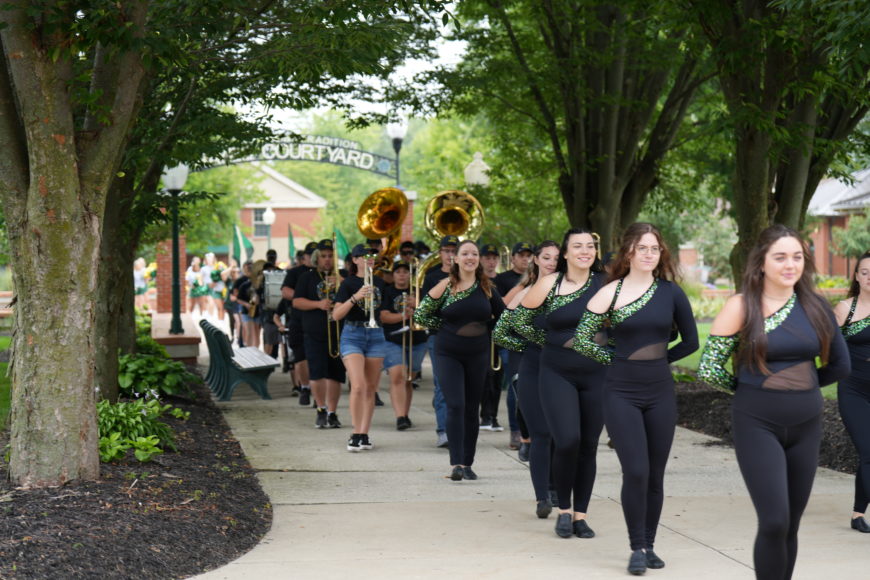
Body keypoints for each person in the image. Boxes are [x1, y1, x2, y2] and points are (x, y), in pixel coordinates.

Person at [697, 224, 849, 580]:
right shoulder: (741, 306)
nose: (790, 264)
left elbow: (841, 365)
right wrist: (750, 390)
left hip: (807, 424)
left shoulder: (816, 306)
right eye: (780, 257)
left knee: (791, 523)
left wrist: (803, 388)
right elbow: (709, 367)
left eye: (797, 257)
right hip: (757, 423)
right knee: (774, 520)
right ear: (761, 262)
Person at [574, 222, 698, 575]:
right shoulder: (610, 293)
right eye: (642, 247)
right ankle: (637, 547)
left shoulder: (671, 293)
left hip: (660, 392)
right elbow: (582, 339)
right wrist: (615, 359)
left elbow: (691, 341)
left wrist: (659, 361)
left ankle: (650, 544)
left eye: (654, 248)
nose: (648, 254)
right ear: (628, 251)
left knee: (655, 475)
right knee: (636, 471)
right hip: (620, 392)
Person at [513, 229, 605, 537]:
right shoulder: (550, 283)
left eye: (590, 246)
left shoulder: (607, 284)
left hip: (596, 376)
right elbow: (519, 321)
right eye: (577, 246)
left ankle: (580, 516)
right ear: (565, 253)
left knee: (588, 446)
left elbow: (622, 325)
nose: (585, 251)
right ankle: (563, 510)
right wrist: (553, 342)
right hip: (556, 373)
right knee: (567, 441)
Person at [414, 239, 505, 481]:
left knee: (471, 408)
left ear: (478, 259)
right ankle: (455, 463)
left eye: (474, 253)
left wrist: (488, 329)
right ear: (456, 258)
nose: (470, 257)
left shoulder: (487, 287)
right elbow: (421, 314)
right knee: (455, 404)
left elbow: (503, 317)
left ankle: (467, 463)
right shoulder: (445, 285)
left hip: (478, 353)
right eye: (465, 253)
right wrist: (445, 326)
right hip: (448, 352)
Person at [493, 240, 560, 519]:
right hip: (532, 370)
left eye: (556, 258)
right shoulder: (525, 293)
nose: (551, 262)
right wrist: (528, 348)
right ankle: (542, 496)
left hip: (562, 371)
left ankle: (556, 486)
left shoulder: (572, 293)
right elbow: (500, 332)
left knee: (560, 434)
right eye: (546, 257)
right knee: (541, 434)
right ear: (536, 260)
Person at [332, 244, 388, 452]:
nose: (369, 258)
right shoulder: (348, 283)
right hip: (352, 334)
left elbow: (385, 312)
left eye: (372, 255)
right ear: (355, 260)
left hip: (376, 334)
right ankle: (355, 432)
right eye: (364, 255)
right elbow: (336, 315)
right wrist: (356, 297)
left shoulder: (380, 282)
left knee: (371, 388)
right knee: (357, 385)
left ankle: (364, 433)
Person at [834, 251, 870, 533]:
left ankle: (858, 514)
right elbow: (828, 349)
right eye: (865, 272)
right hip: (853, 389)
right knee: (869, 451)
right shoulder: (844, 308)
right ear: (856, 276)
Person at [292, 239, 346, 429]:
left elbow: (356, 297)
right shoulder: (307, 277)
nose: (327, 259)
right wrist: (318, 304)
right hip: (314, 332)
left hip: (338, 332)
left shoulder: (342, 277)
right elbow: (297, 302)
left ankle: (332, 412)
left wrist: (341, 282)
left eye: (330, 256)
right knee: (317, 373)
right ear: (317, 258)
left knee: (336, 375)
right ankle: (321, 409)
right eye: (323, 256)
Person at [421, 234, 460, 448]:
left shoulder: (469, 276)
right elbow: (425, 310)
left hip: (464, 337)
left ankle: (458, 428)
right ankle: (444, 430)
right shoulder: (432, 277)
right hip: (439, 336)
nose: (450, 255)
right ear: (440, 253)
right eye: (447, 251)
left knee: (462, 385)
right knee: (442, 384)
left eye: (454, 251)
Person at [380, 261, 426, 430]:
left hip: (417, 340)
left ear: (410, 275)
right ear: (393, 275)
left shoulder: (419, 292)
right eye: (398, 271)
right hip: (393, 339)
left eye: (405, 272)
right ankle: (400, 417)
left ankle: (405, 414)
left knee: (408, 379)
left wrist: (418, 305)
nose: (401, 275)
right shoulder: (387, 291)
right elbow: (383, 316)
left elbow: (430, 315)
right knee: (397, 377)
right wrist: (403, 316)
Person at [282, 241, 318, 404]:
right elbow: (285, 291)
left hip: (319, 320)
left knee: (318, 358)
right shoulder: (295, 272)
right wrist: (305, 295)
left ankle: (318, 393)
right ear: (304, 257)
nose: (313, 258)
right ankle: (304, 387)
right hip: (299, 319)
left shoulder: (327, 273)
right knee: (301, 356)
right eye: (310, 255)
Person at [479, 242, 505, 434]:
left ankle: (493, 416)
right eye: (487, 258)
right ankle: (485, 415)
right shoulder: (478, 281)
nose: (491, 262)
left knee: (497, 377)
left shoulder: (503, 280)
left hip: (500, 333)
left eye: (494, 258)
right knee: (485, 375)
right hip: (483, 333)